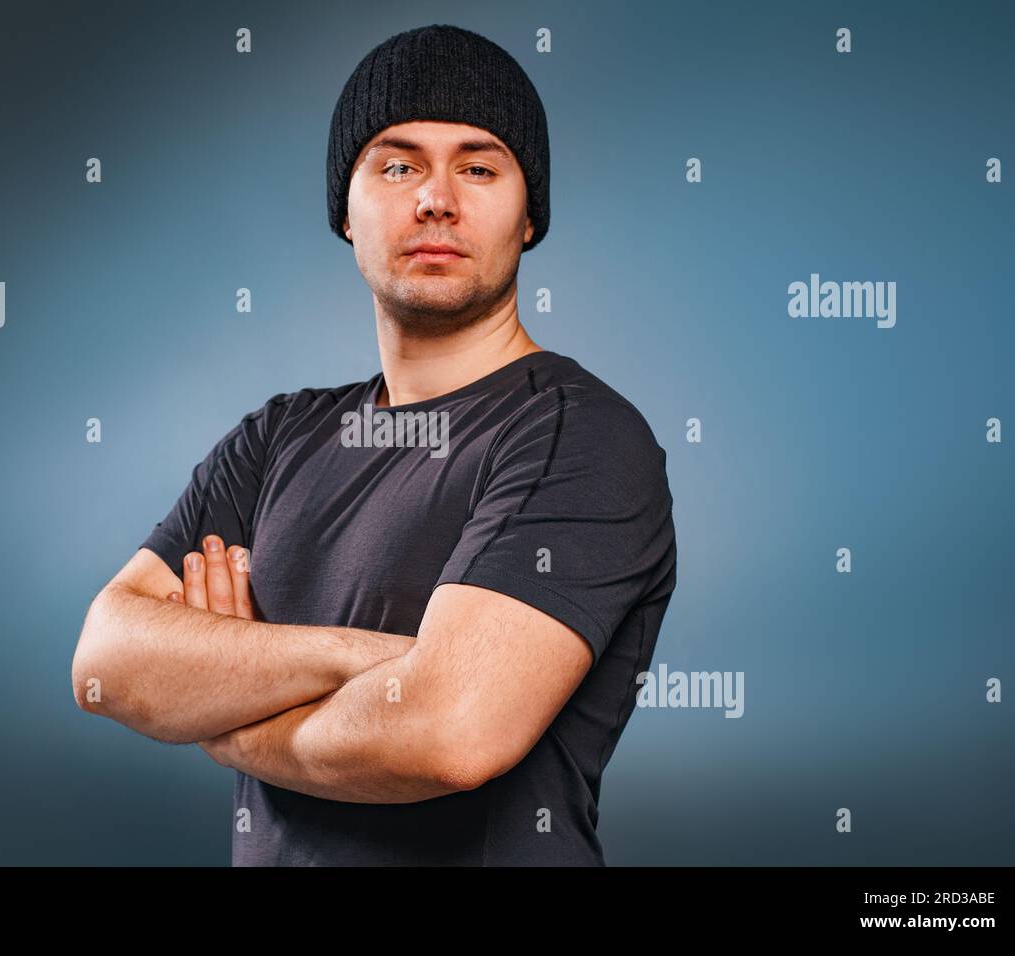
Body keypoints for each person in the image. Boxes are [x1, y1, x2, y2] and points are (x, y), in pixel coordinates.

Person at [71, 23, 677, 866]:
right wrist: (364, 658)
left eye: (478, 165)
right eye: (397, 165)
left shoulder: (579, 436)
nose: (436, 198)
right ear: (345, 214)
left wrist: (225, 714)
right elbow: (106, 661)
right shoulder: (276, 436)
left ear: (529, 214)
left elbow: (448, 733)